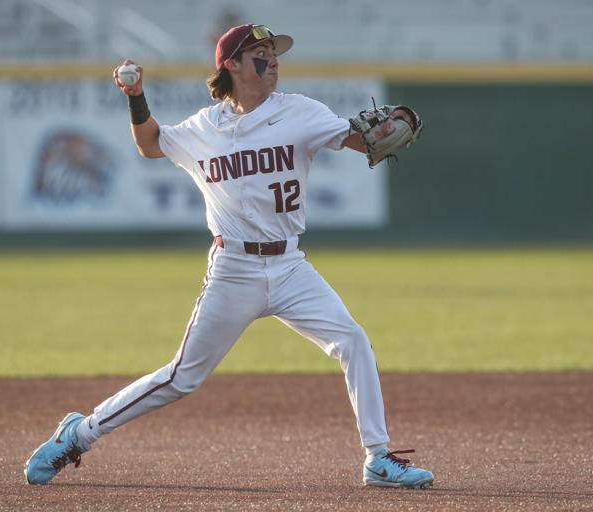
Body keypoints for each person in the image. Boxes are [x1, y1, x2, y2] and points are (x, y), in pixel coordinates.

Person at [24, 23, 434, 489]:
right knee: (182, 379)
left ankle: (378, 458)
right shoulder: (203, 128)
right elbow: (150, 144)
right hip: (234, 270)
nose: (273, 60)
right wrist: (135, 95)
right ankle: (79, 433)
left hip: (289, 266)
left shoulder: (301, 112)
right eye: (260, 53)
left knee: (353, 341)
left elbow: (362, 139)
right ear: (232, 65)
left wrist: (388, 127)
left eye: (275, 53)